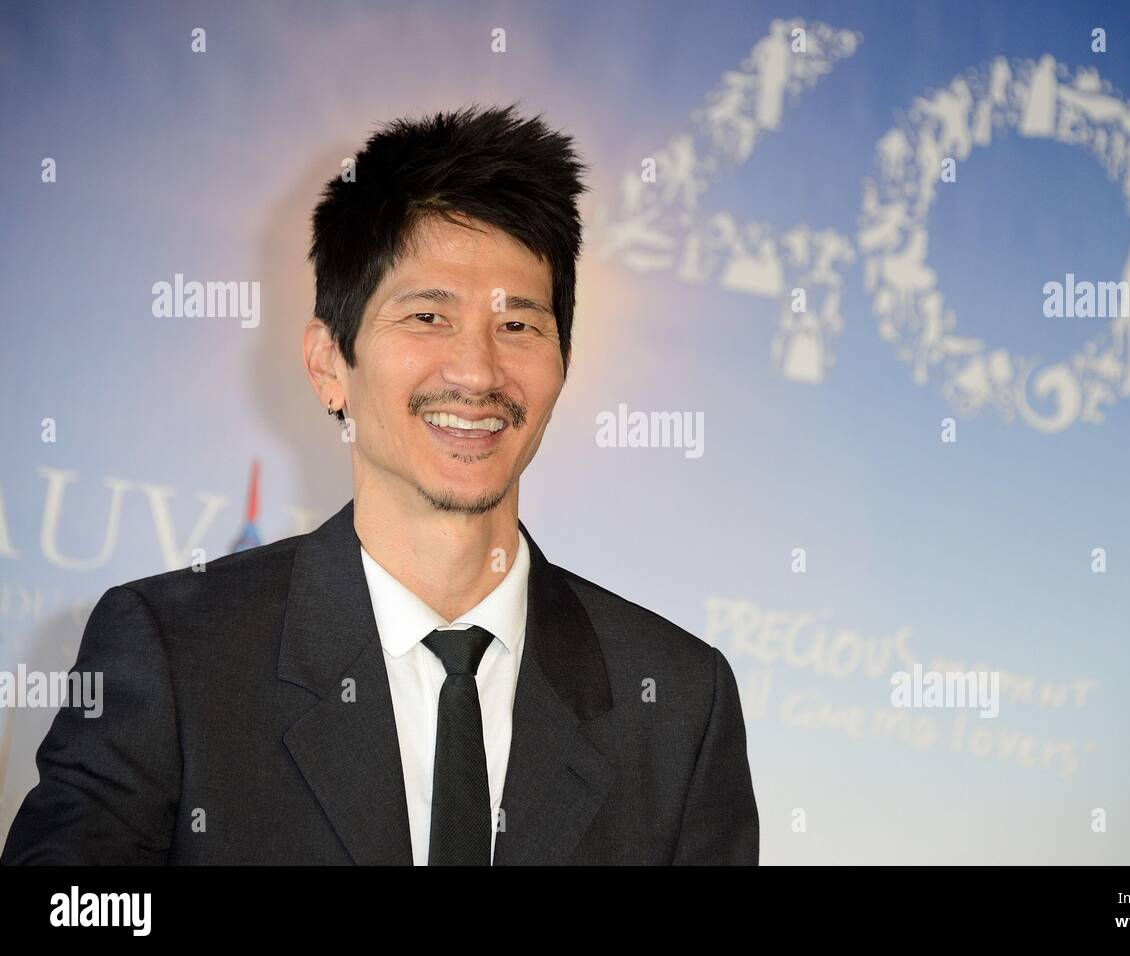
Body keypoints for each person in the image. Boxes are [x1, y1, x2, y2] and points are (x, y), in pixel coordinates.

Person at [1, 103, 759, 865]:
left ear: (563, 361)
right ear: (330, 364)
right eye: (428, 315)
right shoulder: (176, 653)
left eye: (519, 325)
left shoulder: (676, 701)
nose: (477, 372)